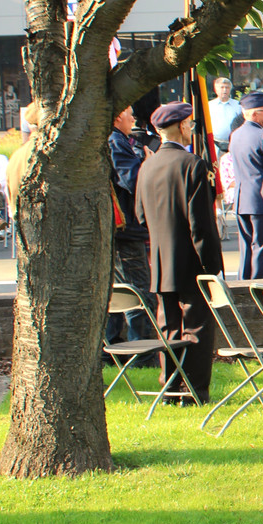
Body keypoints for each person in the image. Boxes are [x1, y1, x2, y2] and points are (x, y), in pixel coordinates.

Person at [135, 102, 224, 403]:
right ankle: (194, 390)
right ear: (182, 126)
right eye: (189, 124)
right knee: (196, 327)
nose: (191, 129)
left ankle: (170, 388)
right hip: (191, 260)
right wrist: (212, 265)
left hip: (161, 260)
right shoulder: (192, 164)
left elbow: (140, 216)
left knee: (169, 326)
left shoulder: (147, 165)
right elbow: (201, 224)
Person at [106, 107, 155, 347]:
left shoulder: (118, 140)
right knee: (138, 293)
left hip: (123, 228)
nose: (134, 119)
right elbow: (133, 180)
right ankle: (141, 352)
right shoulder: (115, 141)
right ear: (118, 117)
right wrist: (147, 163)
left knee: (119, 291)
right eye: (130, 114)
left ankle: (114, 347)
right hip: (126, 230)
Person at [228, 91, 263, 280]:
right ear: (255, 113)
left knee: (246, 247)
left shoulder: (235, 135)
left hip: (242, 199)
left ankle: (243, 285)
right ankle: (261, 286)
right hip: (260, 201)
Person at [208, 77, 242, 152]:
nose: (224, 90)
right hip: (215, 144)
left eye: (227, 87)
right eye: (222, 87)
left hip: (234, 144)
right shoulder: (209, 106)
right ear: (216, 89)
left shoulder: (238, 105)